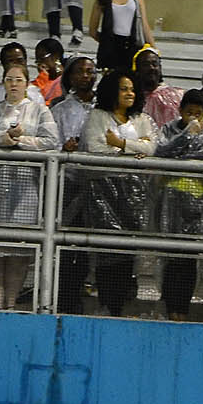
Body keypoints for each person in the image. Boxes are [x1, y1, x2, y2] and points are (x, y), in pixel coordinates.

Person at [0, 60, 58, 310]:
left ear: (26, 83)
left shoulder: (39, 109)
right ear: (3, 82)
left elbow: (52, 140)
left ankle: (11, 304)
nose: (13, 84)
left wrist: (21, 140)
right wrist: (3, 138)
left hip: (26, 184)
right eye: (9, 79)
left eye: (18, 80)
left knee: (18, 250)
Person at [80, 66, 153, 315]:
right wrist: (134, 150)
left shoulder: (141, 119)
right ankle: (107, 304)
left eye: (132, 89)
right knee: (107, 252)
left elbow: (153, 149)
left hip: (134, 194)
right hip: (104, 190)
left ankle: (120, 305)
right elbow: (95, 147)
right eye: (124, 89)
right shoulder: (98, 116)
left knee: (127, 253)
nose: (129, 93)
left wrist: (120, 143)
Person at [151, 85, 203, 318]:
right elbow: (161, 151)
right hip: (170, 198)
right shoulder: (169, 129)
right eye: (189, 112)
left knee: (190, 257)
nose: (193, 118)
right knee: (171, 256)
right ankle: (170, 307)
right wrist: (186, 137)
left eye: (198, 113)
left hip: (198, 198)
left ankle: (183, 308)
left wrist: (185, 151)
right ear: (180, 110)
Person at [89, 0, 149, 73]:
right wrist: (107, 41)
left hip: (132, 45)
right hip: (111, 48)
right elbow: (92, 30)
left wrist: (153, 47)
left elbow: (144, 25)